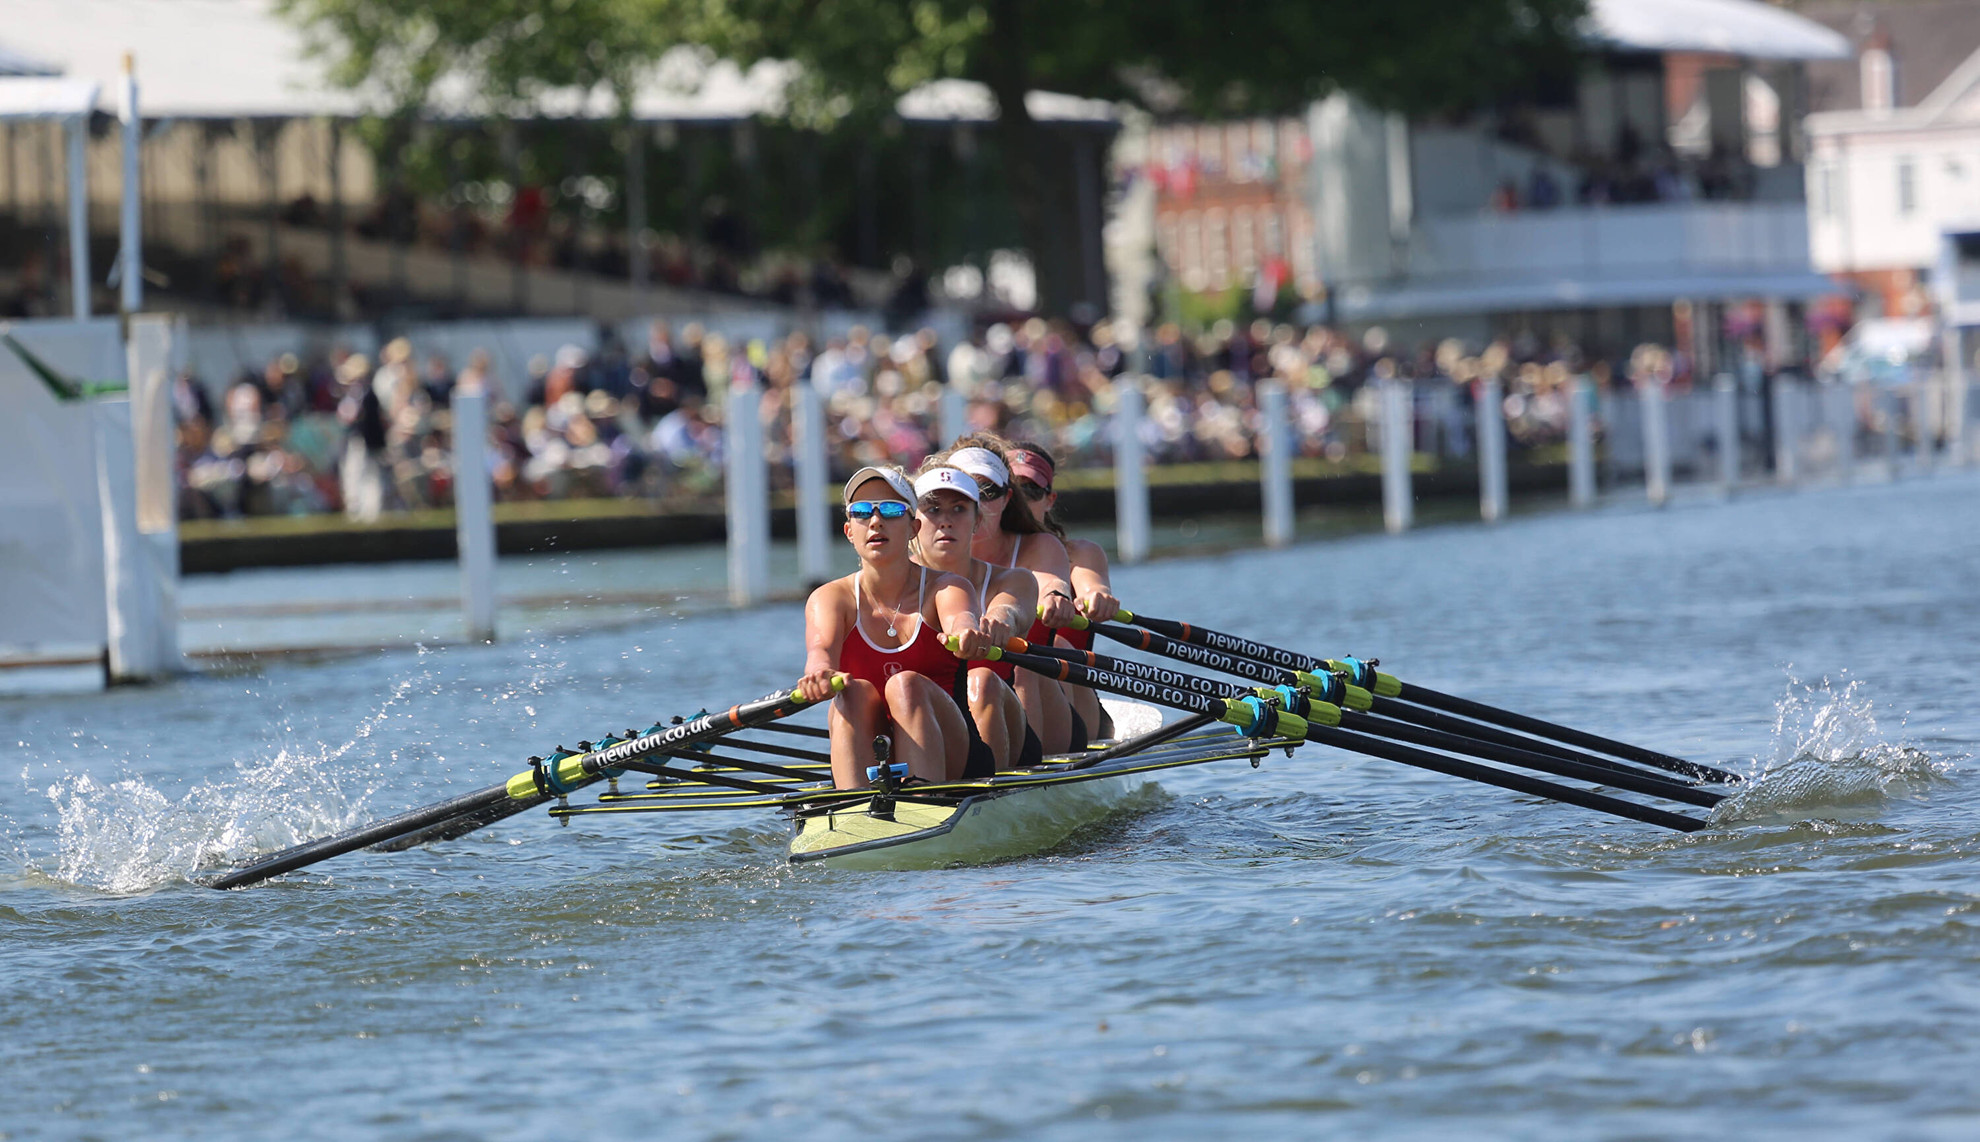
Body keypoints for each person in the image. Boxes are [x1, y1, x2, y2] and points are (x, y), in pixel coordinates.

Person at [796, 466, 998, 788]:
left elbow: (961, 619)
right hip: (872, 747)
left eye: (890, 510)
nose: (875, 521)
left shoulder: (947, 587)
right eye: (862, 512)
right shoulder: (831, 598)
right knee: (852, 693)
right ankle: (853, 807)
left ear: (913, 527)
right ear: (850, 531)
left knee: (905, 685)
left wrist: (966, 634)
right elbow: (821, 651)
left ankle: (923, 802)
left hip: (954, 753)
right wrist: (819, 673)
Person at [945, 436, 1087, 754]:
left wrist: (1055, 596)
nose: (977, 502)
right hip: (961, 705)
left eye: (987, 492)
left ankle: (1021, 777)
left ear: (1008, 498)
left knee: (1023, 664)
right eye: (964, 493)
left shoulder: (1039, 546)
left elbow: (1051, 582)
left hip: (1042, 709)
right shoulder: (921, 559)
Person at [910, 463, 1036, 770]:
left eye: (958, 509)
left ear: (977, 520)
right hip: (924, 726)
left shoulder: (1013, 580)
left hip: (1004, 727)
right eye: (934, 509)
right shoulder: (892, 590)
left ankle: (989, 791)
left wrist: (1001, 619)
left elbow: (1010, 608)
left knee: (982, 678)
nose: (946, 522)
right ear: (913, 522)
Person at [1006, 442, 1119, 740]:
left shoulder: (1078, 554)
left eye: (1030, 491)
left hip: (1076, 706)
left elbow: (1092, 584)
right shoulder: (976, 560)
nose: (1019, 500)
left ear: (1049, 499)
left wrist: (1096, 596)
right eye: (1012, 490)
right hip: (1000, 693)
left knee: (1053, 649)